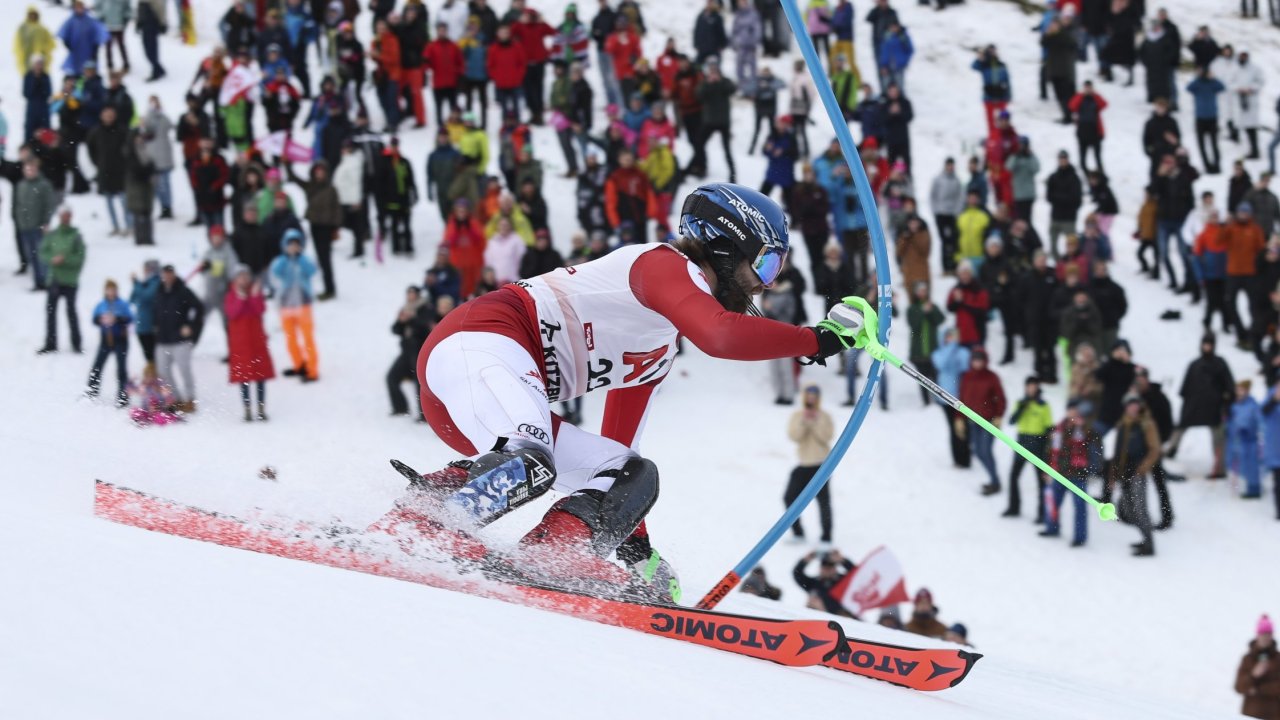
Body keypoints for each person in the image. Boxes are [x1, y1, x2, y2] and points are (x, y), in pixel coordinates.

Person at [374, 183, 854, 598]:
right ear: (728, 247)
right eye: (766, 265)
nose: (763, 286)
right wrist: (816, 339)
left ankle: (555, 552)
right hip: (475, 345)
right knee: (531, 460)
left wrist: (637, 551)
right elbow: (721, 336)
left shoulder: (660, 347)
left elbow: (617, 455)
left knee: (634, 474)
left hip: (483, 412)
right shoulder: (660, 265)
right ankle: (422, 526)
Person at [785, 385, 835, 543]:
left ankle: (826, 537)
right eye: (809, 395)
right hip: (803, 464)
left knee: (823, 502)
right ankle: (798, 532)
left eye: (815, 395)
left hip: (821, 466)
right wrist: (804, 421)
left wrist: (815, 421)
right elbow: (794, 436)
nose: (811, 398)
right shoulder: (797, 415)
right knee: (789, 497)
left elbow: (826, 437)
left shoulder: (824, 416)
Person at [1042, 398, 1095, 545]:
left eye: (1075, 410)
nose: (1073, 413)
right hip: (1059, 473)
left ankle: (1080, 537)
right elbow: (1052, 450)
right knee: (1053, 502)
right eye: (1070, 409)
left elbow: (1093, 448)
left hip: (1078, 475)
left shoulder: (1085, 428)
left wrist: (1089, 468)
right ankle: (1052, 528)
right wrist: (1048, 469)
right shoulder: (1059, 428)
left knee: (1080, 507)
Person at [225, 265, 275, 422]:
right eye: (240, 276)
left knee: (261, 374)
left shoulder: (255, 292)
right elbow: (232, 313)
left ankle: (261, 408)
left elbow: (260, 309)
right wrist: (241, 298)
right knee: (243, 377)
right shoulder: (231, 295)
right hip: (240, 343)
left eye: (246, 275)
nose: (244, 279)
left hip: (256, 341)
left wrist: (253, 297)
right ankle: (247, 408)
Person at [1113, 395, 1160, 556]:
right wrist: (1113, 475)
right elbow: (1117, 451)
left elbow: (1154, 450)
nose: (1133, 408)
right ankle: (1144, 538)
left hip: (1137, 473)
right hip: (1123, 473)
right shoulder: (1122, 424)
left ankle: (1149, 543)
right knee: (1129, 510)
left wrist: (1142, 468)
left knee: (1141, 510)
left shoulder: (1146, 424)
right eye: (1130, 405)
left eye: (1135, 405)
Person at [270, 229, 320, 382]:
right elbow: (275, 273)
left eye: (296, 243)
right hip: (286, 305)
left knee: (307, 338)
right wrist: (287, 256)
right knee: (290, 338)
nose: (293, 246)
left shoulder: (305, 260)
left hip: (304, 305)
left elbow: (313, 270)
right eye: (290, 243)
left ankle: (312, 370)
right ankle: (298, 364)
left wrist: (299, 257)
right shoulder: (280, 261)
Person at [153, 264, 204, 413]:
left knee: (184, 370)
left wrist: (191, 326)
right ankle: (175, 399)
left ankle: (190, 399)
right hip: (163, 339)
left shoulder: (183, 291)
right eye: (165, 274)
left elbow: (198, 307)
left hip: (180, 340)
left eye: (170, 274)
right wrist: (155, 325)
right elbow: (155, 310)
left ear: (174, 275)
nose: (167, 277)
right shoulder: (159, 291)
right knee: (163, 371)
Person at [37, 207, 85, 355]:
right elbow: (42, 252)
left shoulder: (76, 236)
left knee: (71, 311)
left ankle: (76, 343)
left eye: (67, 216)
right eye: (63, 216)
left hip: (70, 280)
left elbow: (80, 258)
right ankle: (51, 343)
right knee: (51, 312)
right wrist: (52, 259)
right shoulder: (53, 235)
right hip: (55, 279)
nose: (65, 218)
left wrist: (65, 260)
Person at [1005, 376, 1053, 519]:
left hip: (1038, 443)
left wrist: (1047, 450)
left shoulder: (1043, 405)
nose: (1031, 389)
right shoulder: (1021, 402)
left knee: (1041, 480)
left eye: (1034, 386)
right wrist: (1022, 408)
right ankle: (1014, 507)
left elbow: (1049, 428)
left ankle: (1042, 513)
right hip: (1022, 443)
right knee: (1013, 476)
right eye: (1029, 386)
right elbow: (1012, 421)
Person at [961, 348, 1006, 495]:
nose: (977, 363)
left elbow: (1001, 398)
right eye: (975, 360)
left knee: (986, 451)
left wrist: (999, 415)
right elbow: (961, 398)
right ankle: (994, 479)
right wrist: (958, 419)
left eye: (980, 360)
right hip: (972, 422)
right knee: (978, 452)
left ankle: (995, 481)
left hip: (988, 421)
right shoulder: (966, 377)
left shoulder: (991, 377)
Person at [388, 286, 435, 418]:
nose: (410, 296)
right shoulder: (405, 308)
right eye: (408, 293)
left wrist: (410, 319)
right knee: (391, 377)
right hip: (407, 352)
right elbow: (395, 330)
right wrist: (401, 321)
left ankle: (425, 415)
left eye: (412, 293)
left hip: (420, 352)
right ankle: (400, 408)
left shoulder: (425, 307)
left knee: (420, 383)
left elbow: (424, 325)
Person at [85, 279, 133, 407]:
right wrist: (101, 319)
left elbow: (129, 318)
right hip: (105, 338)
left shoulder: (122, 304)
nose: (111, 292)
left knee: (121, 368)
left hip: (120, 339)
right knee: (98, 366)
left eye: (113, 290)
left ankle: (123, 395)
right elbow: (95, 319)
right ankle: (91, 390)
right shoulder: (102, 305)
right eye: (109, 290)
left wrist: (117, 319)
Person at [932, 327, 971, 468]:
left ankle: (966, 458)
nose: (951, 339)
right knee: (953, 429)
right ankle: (958, 459)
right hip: (946, 399)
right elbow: (942, 364)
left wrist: (955, 349)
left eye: (953, 337)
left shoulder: (963, 352)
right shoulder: (938, 354)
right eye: (948, 337)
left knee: (963, 428)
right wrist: (951, 347)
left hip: (962, 398)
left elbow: (966, 367)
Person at [15, 160, 56, 291]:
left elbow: (49, 205)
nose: (29, 172)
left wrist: (46, 222)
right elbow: (17, 205)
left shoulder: (44, 185)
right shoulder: (21, 185)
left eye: (32, 169)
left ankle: (47, 281)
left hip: (38, 226)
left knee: (42, 256)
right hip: (24, 226)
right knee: (31, 256)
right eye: (27, 169)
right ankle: (38, 281)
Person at [1236, 615, 1280, 718]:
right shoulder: (1248, 659)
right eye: (1262, 633)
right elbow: (1239, 687)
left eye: (1268, 633)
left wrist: (1258, 689)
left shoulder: (1278, 659)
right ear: (1257, 635)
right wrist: (1253, 675)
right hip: (1249, 715)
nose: (1265, 637)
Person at [1228, 380, 1265, 500]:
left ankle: (1255, 489)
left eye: (1241, 389)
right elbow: (1232, 420)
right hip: (1239, 440)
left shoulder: (1253, 405)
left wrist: (1255, 431)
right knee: (1242, 464)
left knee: (1252, 465)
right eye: (1237, 389)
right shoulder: (1235, 405)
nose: (1238, 392)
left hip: (1251, 439)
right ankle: (1249, 486)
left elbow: (1260, 421)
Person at [793, 550, 854, 616]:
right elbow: (797, 574)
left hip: (841, 619)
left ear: (835, 568)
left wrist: (843, 560)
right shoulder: (814, 583)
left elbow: (857, 575)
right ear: (820, 568)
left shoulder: (842, 581)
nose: (827, 569)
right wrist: (805, 560)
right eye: (824, 567)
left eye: (830, 566)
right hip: (817, 618)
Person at [930, 158, 964, 275]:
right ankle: (945, 267)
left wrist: (957, 211)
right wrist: (936, 210)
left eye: (952, 166)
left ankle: (954, 266)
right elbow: (932, 196)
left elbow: (960, 197)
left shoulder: (957, 181)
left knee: (953, 240)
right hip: (941, 214)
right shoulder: (938, 180)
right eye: (948, 165)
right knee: (944, 240)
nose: (950, 168)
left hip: (952, 215)